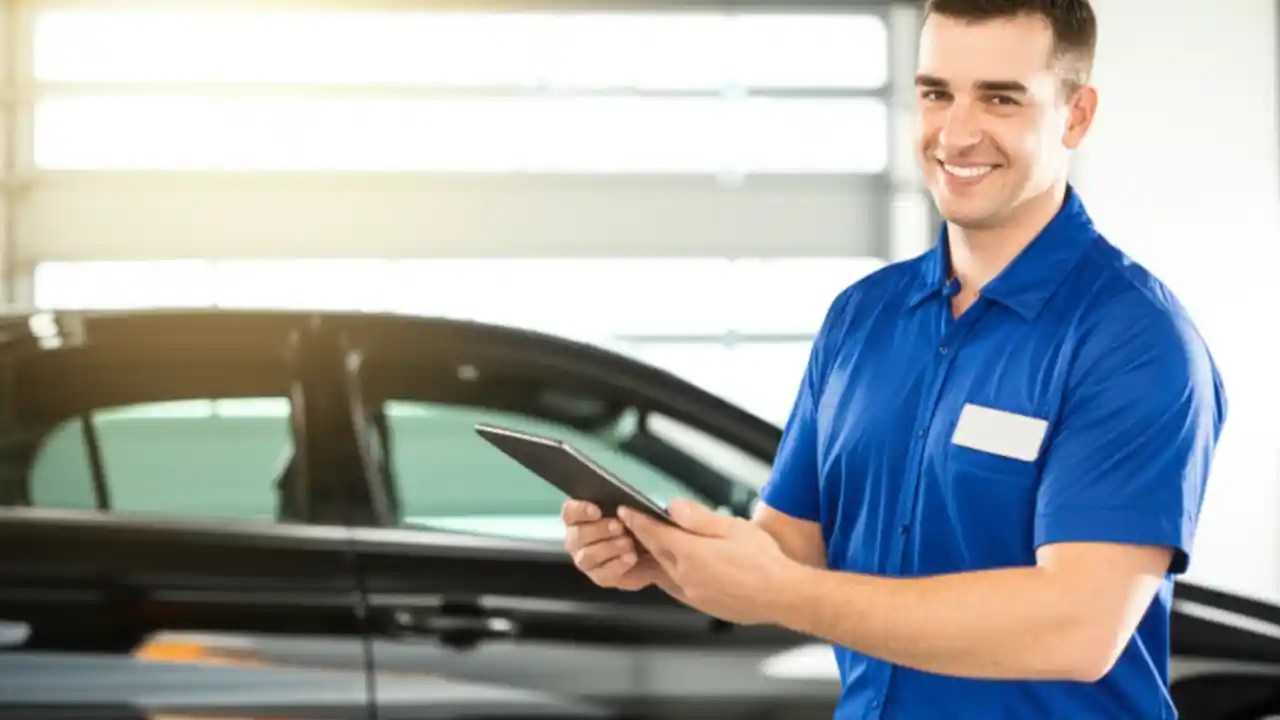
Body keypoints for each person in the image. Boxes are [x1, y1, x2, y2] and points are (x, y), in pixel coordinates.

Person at [561, 0, 1227, 717]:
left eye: (1000, 99)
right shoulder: (862, 318)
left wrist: (783, 591)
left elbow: (1078, 626)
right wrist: (664, 558)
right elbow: (790, 551)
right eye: (937, 92)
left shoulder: (1134, 339)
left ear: (1076, 115)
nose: (958, 133)